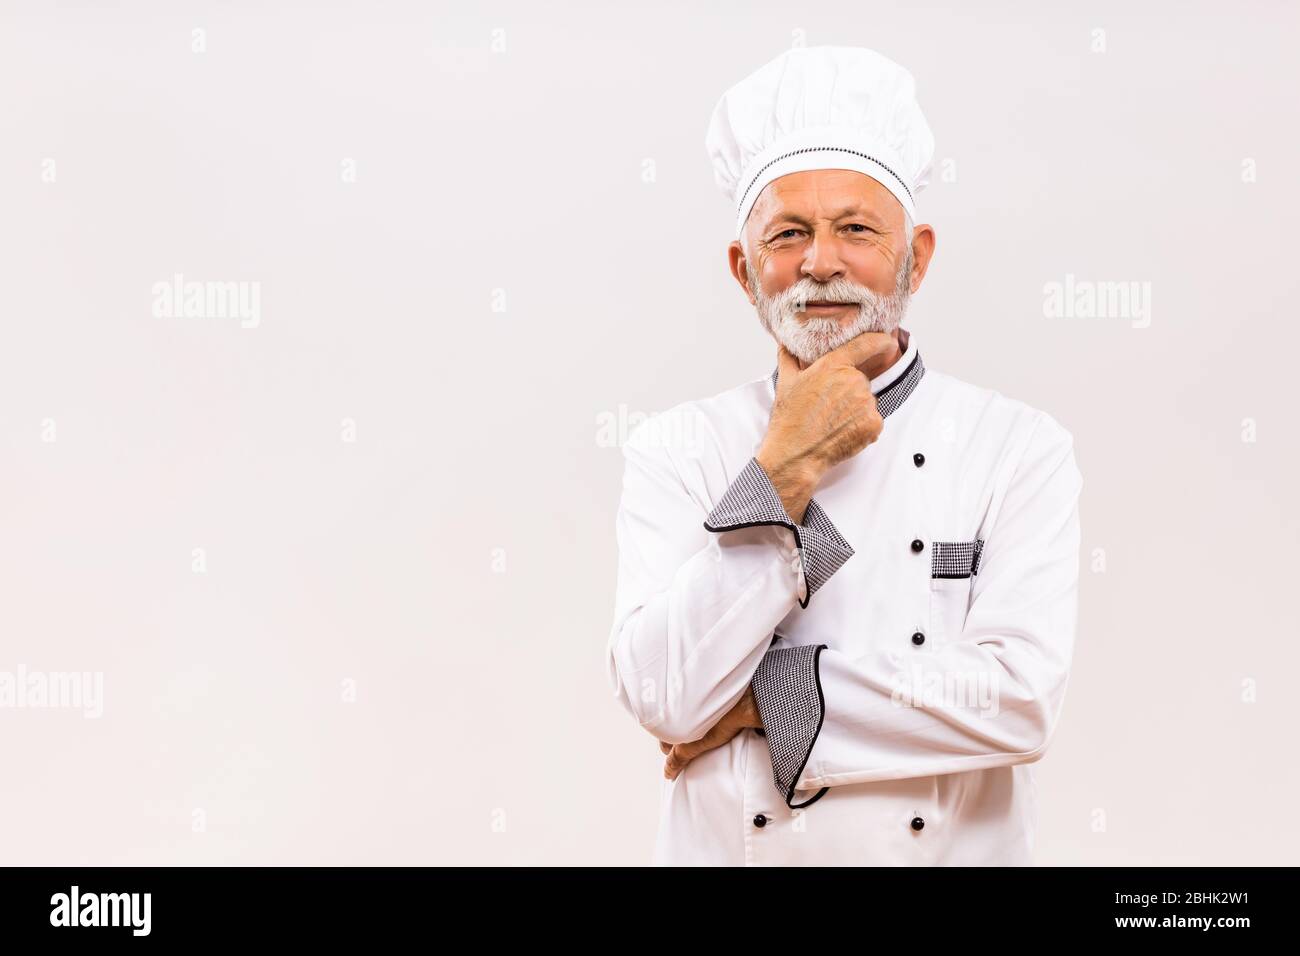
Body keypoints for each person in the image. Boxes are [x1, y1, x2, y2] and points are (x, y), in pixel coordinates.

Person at [605, 45, 1083, 865]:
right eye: (787, 234)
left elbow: (1019, 700)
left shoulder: (1018, 446)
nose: (819, 261)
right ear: (743, 271)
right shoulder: (676, 447)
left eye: (856, 229)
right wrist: (785, 465)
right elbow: (661, 693)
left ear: (916, 257)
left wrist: (768, 698)